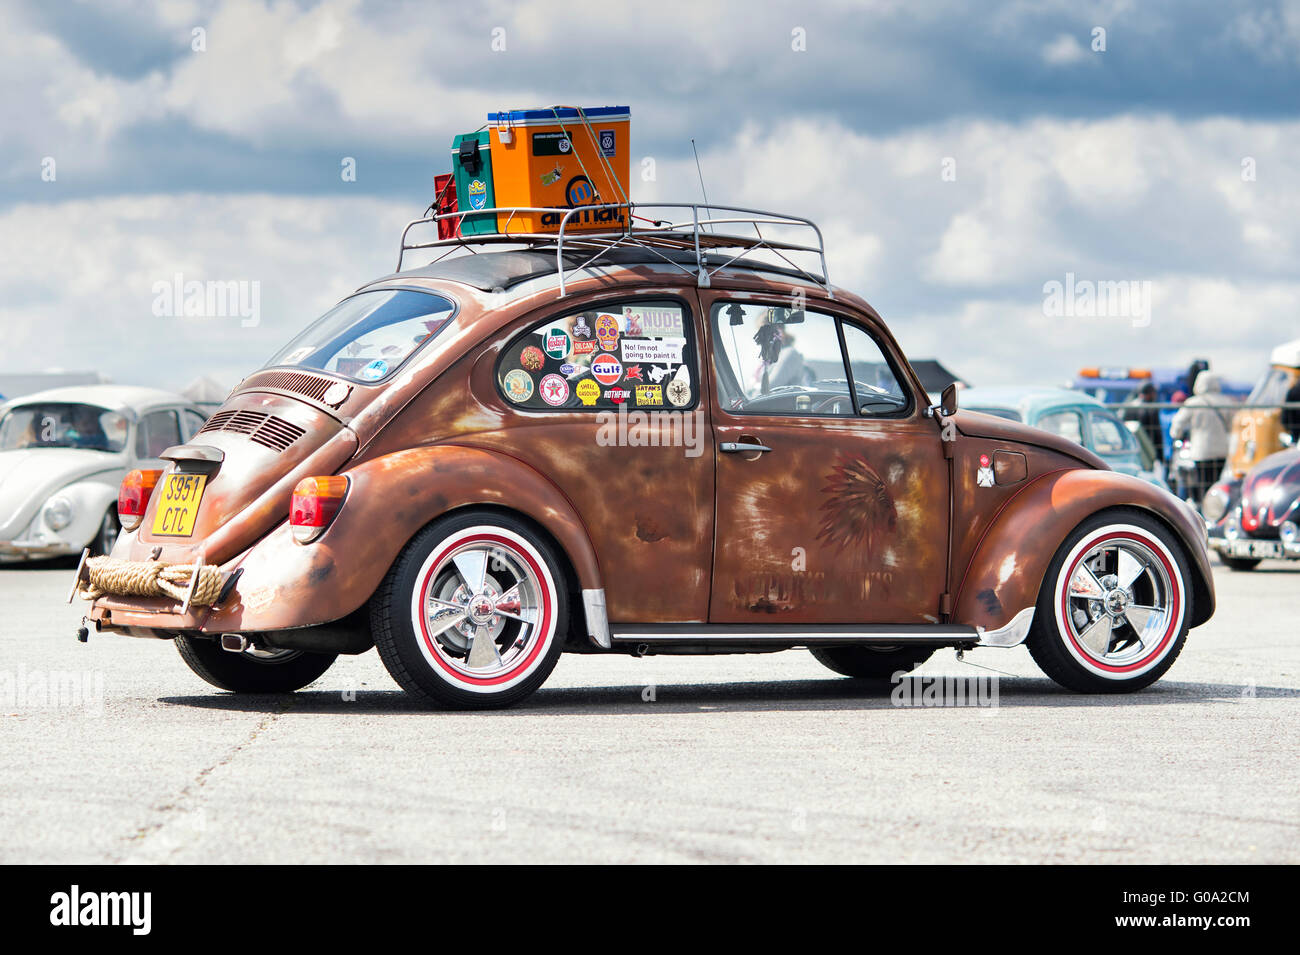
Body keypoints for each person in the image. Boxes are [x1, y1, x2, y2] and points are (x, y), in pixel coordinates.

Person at [1169, 371, 1232, 509]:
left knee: (1202, 482)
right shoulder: (1226, 401)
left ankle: (1204, 509)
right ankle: (1214, 509)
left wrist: (1176, 435)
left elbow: (1178, 423)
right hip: (1221, 449)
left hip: (1201, 450)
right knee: (1216, 482)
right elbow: (1231, 425)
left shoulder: (1194, 402)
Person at [1124, 382, 1165, 465]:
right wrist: (1160, 456)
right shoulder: (1151, 408)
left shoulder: (1130, 406)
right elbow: (1157, 433)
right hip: (1148, 448)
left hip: (1132, 447)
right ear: (1149, 393)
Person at [1283, 378, 1300, 445]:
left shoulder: (1292, 391)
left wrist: (1285, 423)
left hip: (1294, 424)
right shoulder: (1293, 391)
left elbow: (1286, 410)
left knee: (1295, 442)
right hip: (1295, 423)